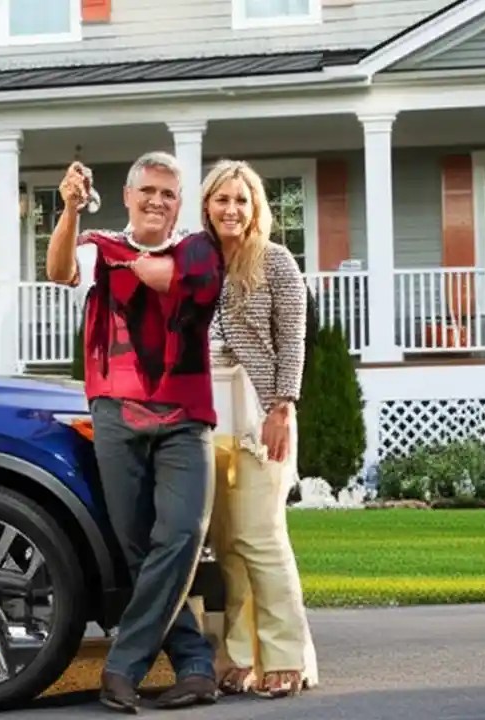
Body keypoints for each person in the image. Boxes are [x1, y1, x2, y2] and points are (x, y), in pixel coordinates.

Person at [46, 151, 225, 713]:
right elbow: (59, 271)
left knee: (181, 534)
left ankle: (122, 666)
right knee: (136, 544)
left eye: (168, 194)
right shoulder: (97, 246)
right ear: (127, 196)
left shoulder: (198, 249)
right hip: (117, 411)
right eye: (147, 190)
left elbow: (168, 278)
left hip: (184, 414)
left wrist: (129, 259)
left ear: (180, 204)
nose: (156, 201)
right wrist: (70, 210)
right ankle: (195, 665)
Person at [200, 159, 319, 699]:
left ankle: (286, 656)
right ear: (207, 205)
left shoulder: (275, 260)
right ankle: (241, 657)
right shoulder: (197, 261)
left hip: (258, 410)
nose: (231, 209)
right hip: (205, 410)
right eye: (222, 199)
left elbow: (293, 339)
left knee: (261, 537)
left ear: (255, 209)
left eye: (241, 200)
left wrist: (282, 408)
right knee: (226, 545)